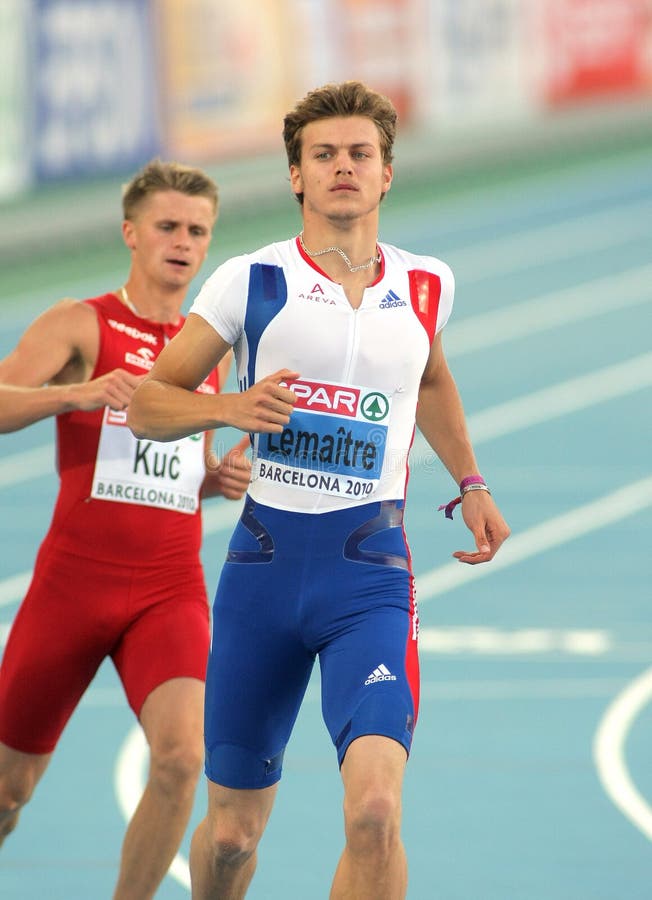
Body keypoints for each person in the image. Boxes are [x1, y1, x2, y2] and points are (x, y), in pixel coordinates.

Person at [127, 82, 511, 899]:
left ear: (387, 174)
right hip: (262, 577)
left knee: (374, 812)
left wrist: (470, 480)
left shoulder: (427, 285)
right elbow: (150, 404)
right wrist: (230, 405)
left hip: (367, 574)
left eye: (359, 154)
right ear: (296, 176)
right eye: (324, 155)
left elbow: (431, 379)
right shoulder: (249, 280)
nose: (343, 167)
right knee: (230, 836)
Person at [0, 159, 251, 899]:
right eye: (168, 226)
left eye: (197, 230)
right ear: (130, 233)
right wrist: (79, 392)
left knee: (181, 759)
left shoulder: (210, 348)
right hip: (72, 587)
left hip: (169, 588)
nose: (182, 242)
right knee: (9, 793)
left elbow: (178, 469)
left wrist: (213, 481)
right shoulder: (81, 322)